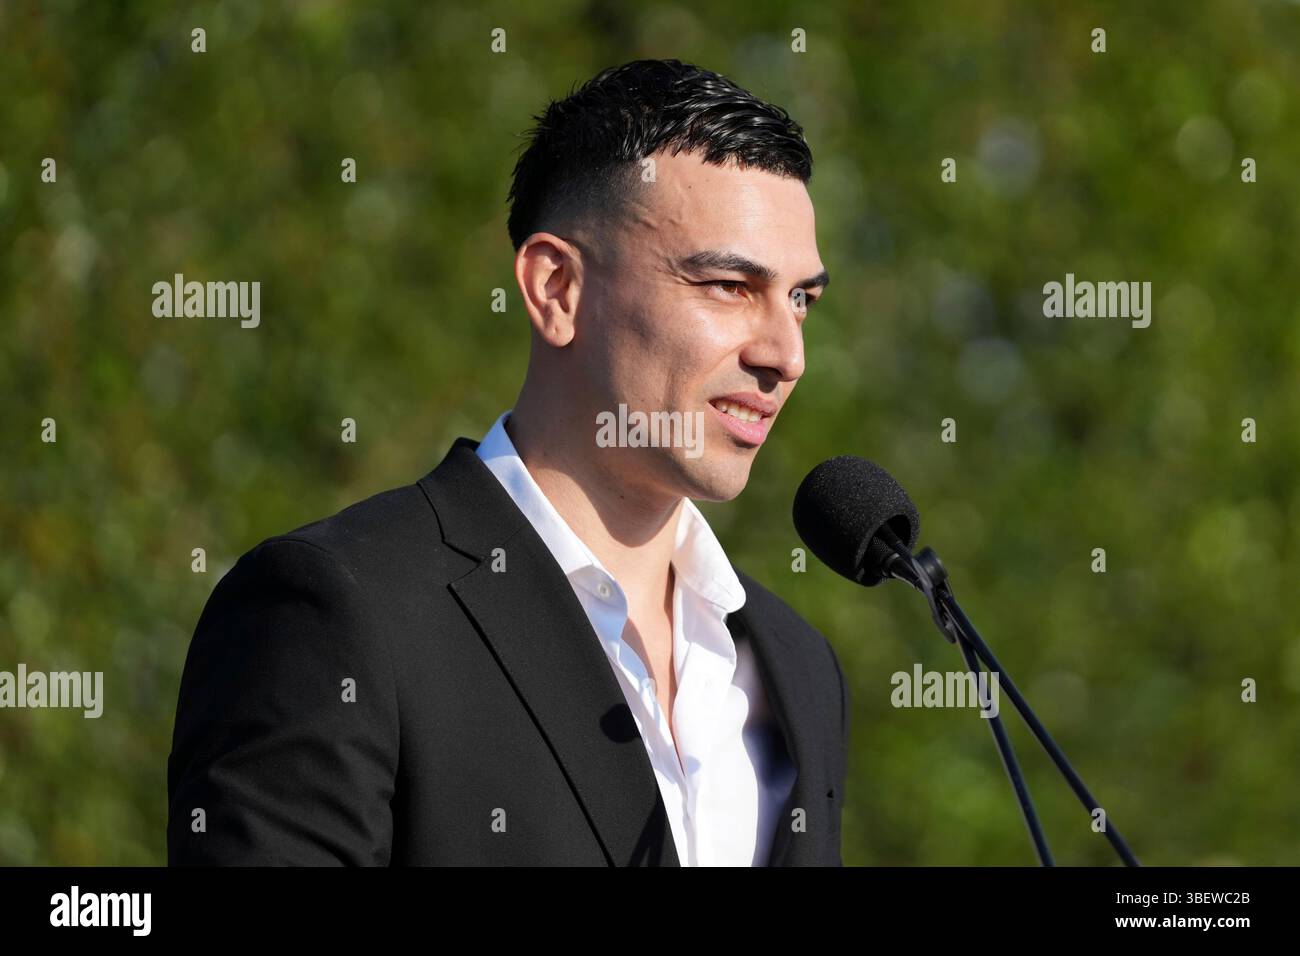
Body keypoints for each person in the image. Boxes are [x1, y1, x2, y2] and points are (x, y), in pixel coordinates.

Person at [168, 58, 847, 866]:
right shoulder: (339, 612)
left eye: (801, 300)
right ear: (557, 288)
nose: (787, 354)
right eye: (730, 285)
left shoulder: (794, 665)